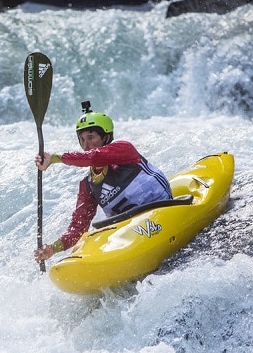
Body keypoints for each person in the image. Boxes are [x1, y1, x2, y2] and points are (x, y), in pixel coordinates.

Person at [34, 101, 173, 263]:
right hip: (131, 231)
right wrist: (52, 248)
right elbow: (78, 228)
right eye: (82, 139)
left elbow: (93, 157)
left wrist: (55, 158)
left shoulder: (124, 149)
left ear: (106, 137)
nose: (86, 145)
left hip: (162, 210)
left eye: (91, 137)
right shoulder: (88, 186)